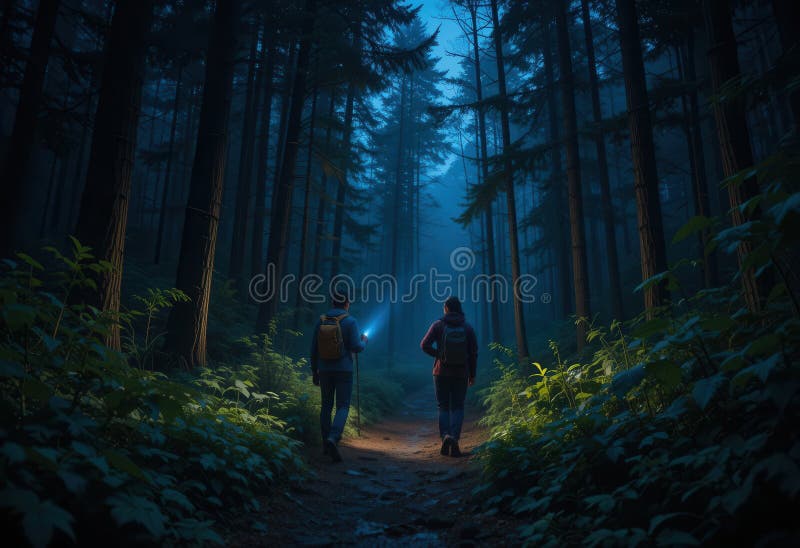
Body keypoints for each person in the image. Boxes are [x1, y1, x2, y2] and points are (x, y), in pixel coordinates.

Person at [310, 291, 367, 463]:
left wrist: (315, 371)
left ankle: (325, 444)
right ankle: (333, 438)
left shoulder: (320, 321)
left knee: (326, 405)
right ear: (347, 303)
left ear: (333, 302)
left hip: (324, 369)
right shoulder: (350, 321)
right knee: (343, 406)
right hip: (344, 370)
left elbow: (313, 350)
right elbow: (356, 347)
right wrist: (364, 341)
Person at [420, 296, 478, 457]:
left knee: (443, 406)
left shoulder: (438, 325)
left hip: (441, 373)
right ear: (459, 308)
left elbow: (424, 345)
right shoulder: (467, 327)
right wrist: (472, 374)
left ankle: (445, 435)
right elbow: (473, 353)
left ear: (446, 308)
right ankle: (454, 439)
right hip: (461, 373)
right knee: (458, 407)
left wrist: (439, 355)